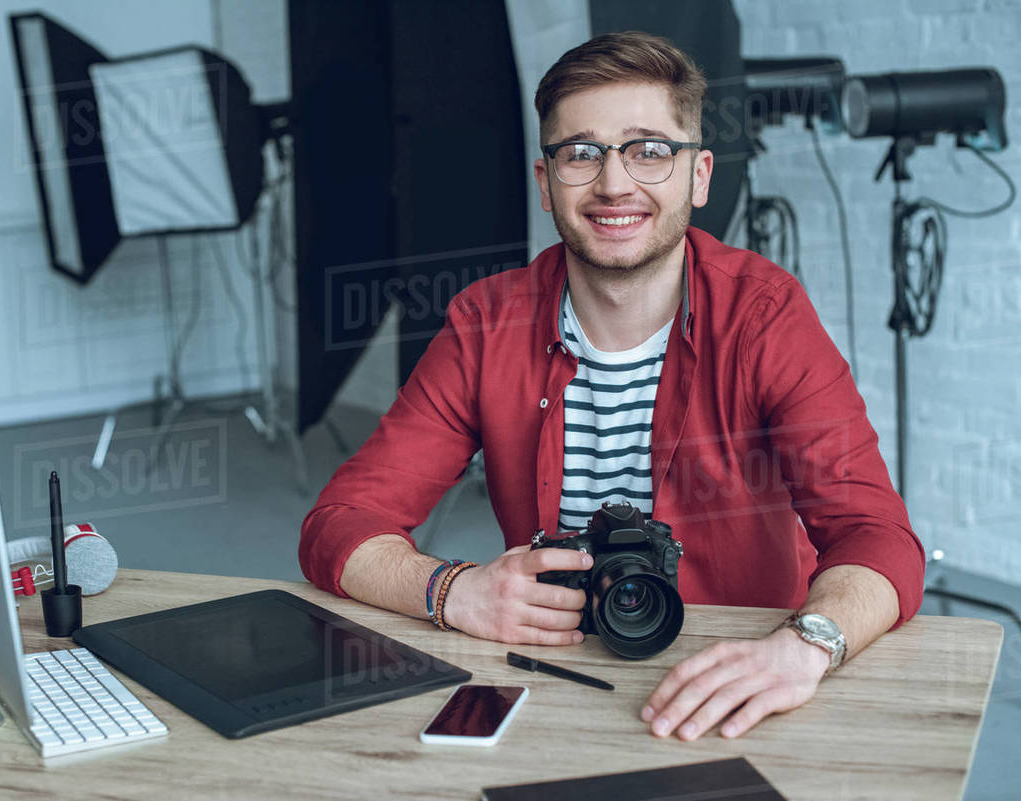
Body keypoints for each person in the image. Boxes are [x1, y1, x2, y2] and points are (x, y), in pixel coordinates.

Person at [300, 31, 925, 742]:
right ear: (546, 182)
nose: (614, 184)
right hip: (553, 671)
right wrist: (452, 589)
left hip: (741, 680)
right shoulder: (485, 321)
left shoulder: (766, 316)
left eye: (649, 149)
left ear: (700, 175)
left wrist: (803, 646)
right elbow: (340, 522)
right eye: (582, 152)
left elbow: (878, 538)